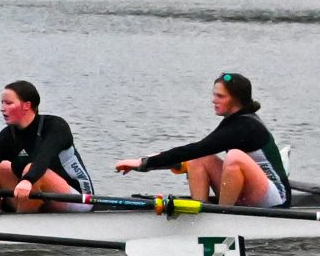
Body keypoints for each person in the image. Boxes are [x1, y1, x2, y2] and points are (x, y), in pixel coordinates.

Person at [113, 71, 291, 206]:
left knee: (234, 157)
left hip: (275, 198)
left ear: (236, 100)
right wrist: (144, 163)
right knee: (198, 158)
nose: (213, 100)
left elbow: (197, 147)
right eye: (214, 95)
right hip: (251, 191)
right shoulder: (233, 122)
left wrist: (146, 163)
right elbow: (196, 151)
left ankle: (223, 217)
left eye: (220, 96)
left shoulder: (246, 127)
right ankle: (202, 215)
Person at [0, 80, 91, 212]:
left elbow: (43, 158)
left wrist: (28, 180)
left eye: (8, 103)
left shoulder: (56, 127)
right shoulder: (8, 135)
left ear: (26, 105)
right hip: (35, 191)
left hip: (78, 199)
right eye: (2, 103)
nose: (2, 108)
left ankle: (21, 223)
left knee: (30, 170)